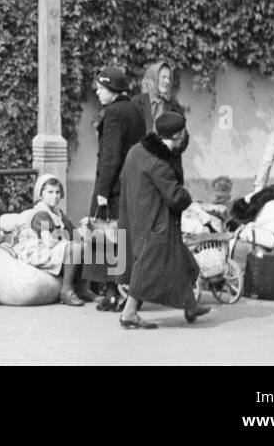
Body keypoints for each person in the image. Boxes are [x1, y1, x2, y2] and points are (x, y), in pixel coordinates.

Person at [116, 112, 210, 329]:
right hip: (157, 224)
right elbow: (176, 197)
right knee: (148, 270)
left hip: (136, 219)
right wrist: (188, 196)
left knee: (183, 262)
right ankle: (129, 313)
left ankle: (190, 306)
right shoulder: (159, 163)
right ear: (177, 135)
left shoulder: (137, 151)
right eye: (184, 132)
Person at [88, 65, 146, 312]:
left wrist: (102, 191)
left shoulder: (113, 113)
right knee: (122, 239)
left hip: (112, 187)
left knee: (104, 238)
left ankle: (110, 293)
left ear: (112, 88)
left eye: (101, 88)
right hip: (131, 185)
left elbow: (110, 156)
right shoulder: (135, 109)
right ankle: (126, 294)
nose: (98, 93)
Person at [11, 174, 92, 306]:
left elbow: (74, 234)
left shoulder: (57, 212)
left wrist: (84, 228)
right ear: (41, 194)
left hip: (52, 247)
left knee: (84, 244)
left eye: (58, 192)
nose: (55, 196)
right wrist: (69, 239)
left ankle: (82, 289)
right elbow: (48, 242)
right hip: (38, 251)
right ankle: (66, 291)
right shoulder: (40, 214)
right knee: (75, 248)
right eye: (50, 192)